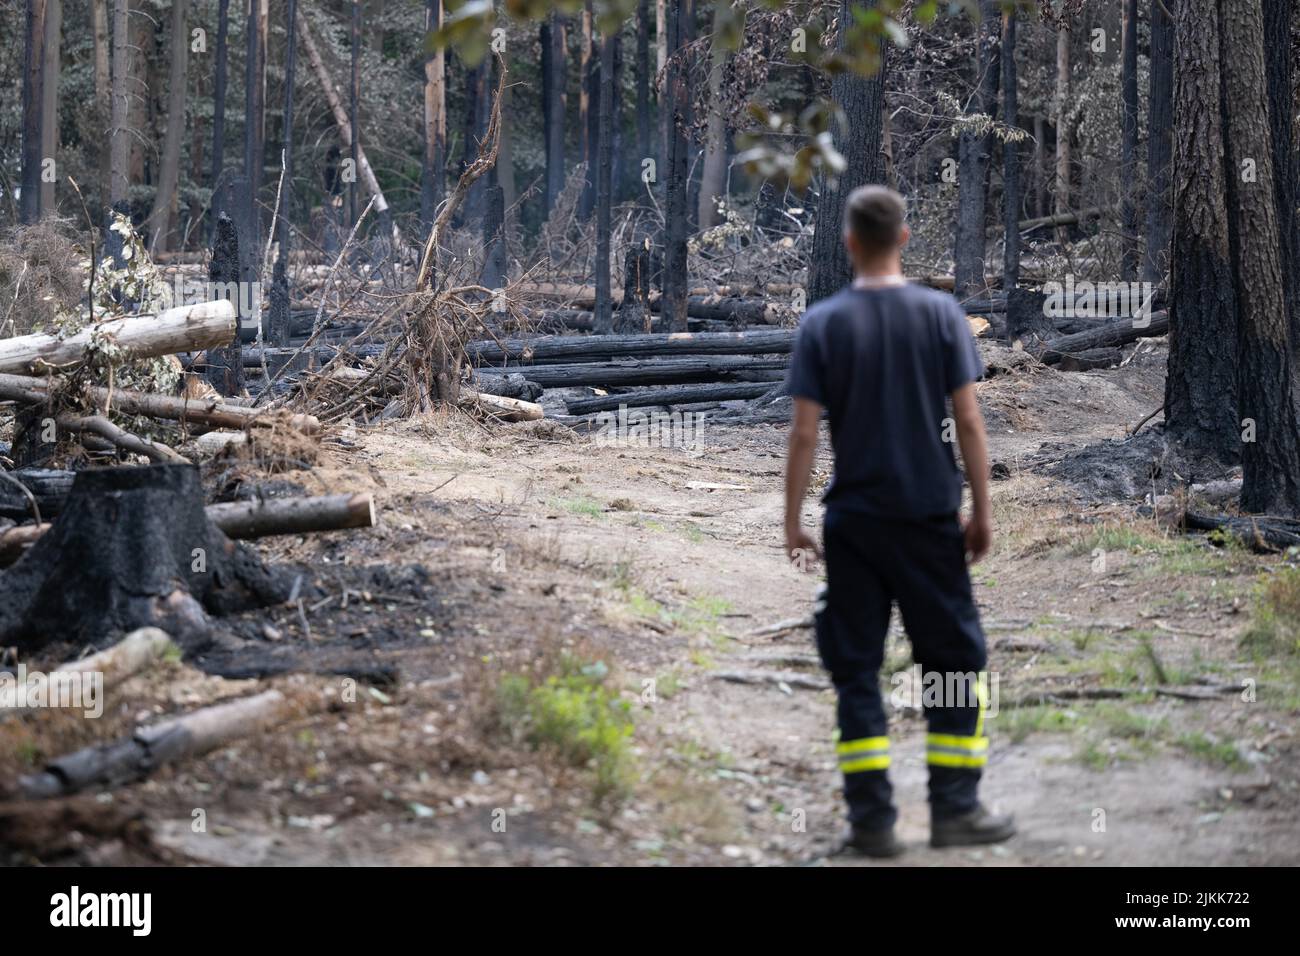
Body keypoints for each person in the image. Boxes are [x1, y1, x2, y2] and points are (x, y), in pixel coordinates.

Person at [783, 185, 1015, 858]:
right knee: (951, 661)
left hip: (853, 521)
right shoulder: (941, 315)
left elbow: (803, 434)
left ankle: (872, 823)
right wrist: (981, 509)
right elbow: (968, 419)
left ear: (849, 242)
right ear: (905, 238)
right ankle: (954, 811)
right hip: (928, 518)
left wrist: (793, 521)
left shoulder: (823, 324)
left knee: (855, 667)